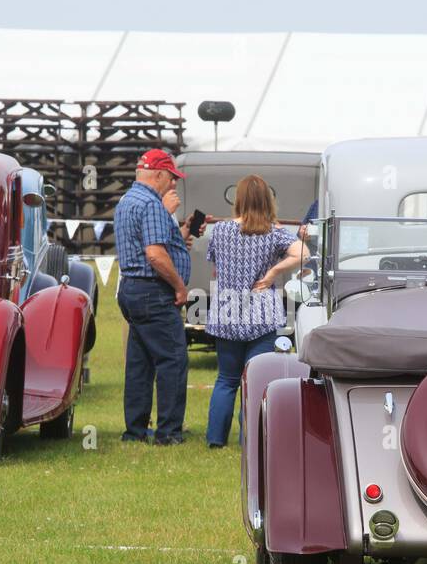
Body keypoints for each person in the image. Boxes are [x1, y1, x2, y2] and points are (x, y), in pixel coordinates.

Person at [205, 174, 306, 448]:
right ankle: (249, 440)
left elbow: (215, 264)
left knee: (226, 380)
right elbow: (303, 253)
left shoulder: (221, 230)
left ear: (238, 199)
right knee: (255, 382)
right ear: (267, 200)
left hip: (227, 310)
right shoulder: (275, 233)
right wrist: (274, 272)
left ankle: (215, 439)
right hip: (262, 312)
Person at [113, 149, 193, 445]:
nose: (173, 184)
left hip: (131, 289)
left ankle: (134, 430)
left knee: (140, 363)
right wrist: (180, 287)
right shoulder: (152, 205)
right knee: (172, 359)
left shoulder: (126, 201)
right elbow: (156, 255)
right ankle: (168, 432)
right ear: (159, 174)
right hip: (152, 291)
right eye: (171, 178)